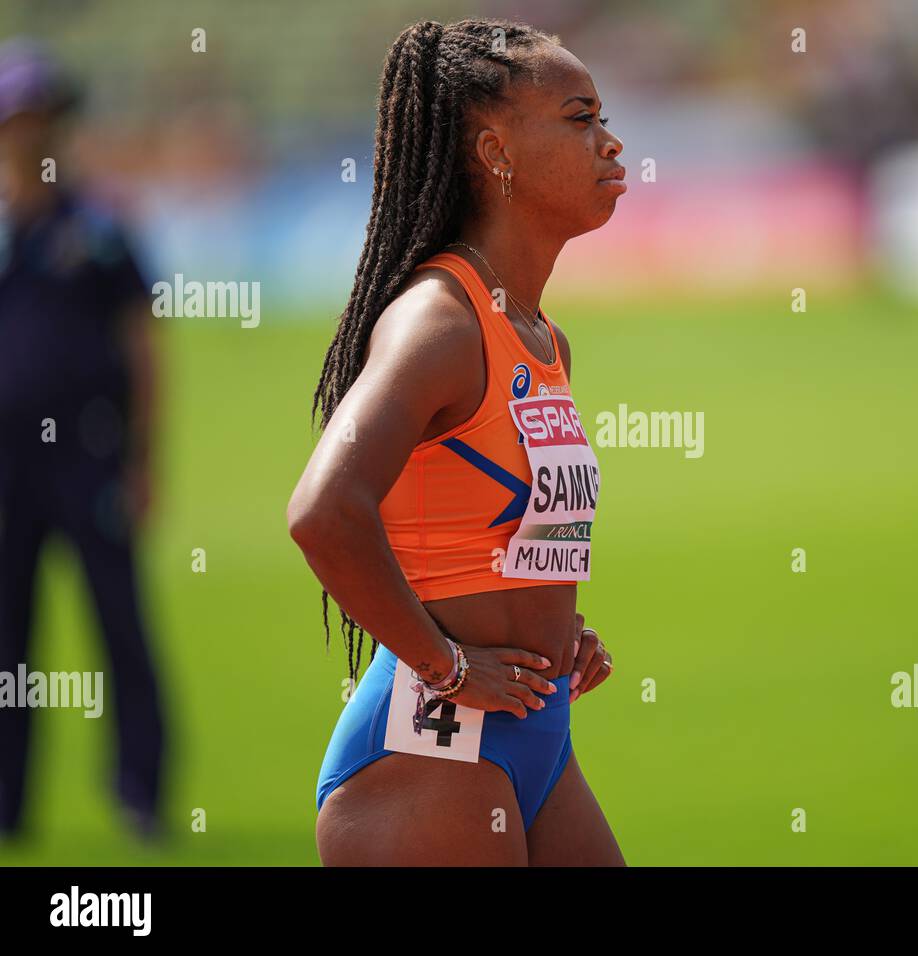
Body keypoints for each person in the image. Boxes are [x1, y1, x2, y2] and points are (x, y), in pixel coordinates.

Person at [288, 18, 625, 865]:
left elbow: (496, 527)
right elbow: (323, 511)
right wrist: (445, 666)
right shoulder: (440, 322)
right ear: (495, 151)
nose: (612, 145)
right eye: (580, 118)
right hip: (428, 752)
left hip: (534, 733)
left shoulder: (543, 337)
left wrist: (560, 627)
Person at [0, 38, 165, 840]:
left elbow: (144, 345)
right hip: (6, 468)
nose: (29, 133)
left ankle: (142, 794)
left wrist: (144, 459)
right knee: (7, 646)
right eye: (16, 118)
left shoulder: (98, 226)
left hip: (90, 456)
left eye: (41, 116)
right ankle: (9, 808)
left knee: (120, 628)